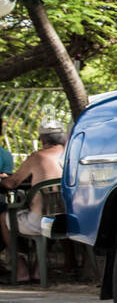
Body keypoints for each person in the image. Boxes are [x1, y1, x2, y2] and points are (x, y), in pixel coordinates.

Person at [1, 121, 66, 283]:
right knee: (52, 214)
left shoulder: (37, 157)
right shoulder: (70, 156)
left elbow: (11, 184)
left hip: (39, 223)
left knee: (3, 218)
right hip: (68, 220)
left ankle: (20, 266)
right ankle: (38, 268)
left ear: (42, 139)